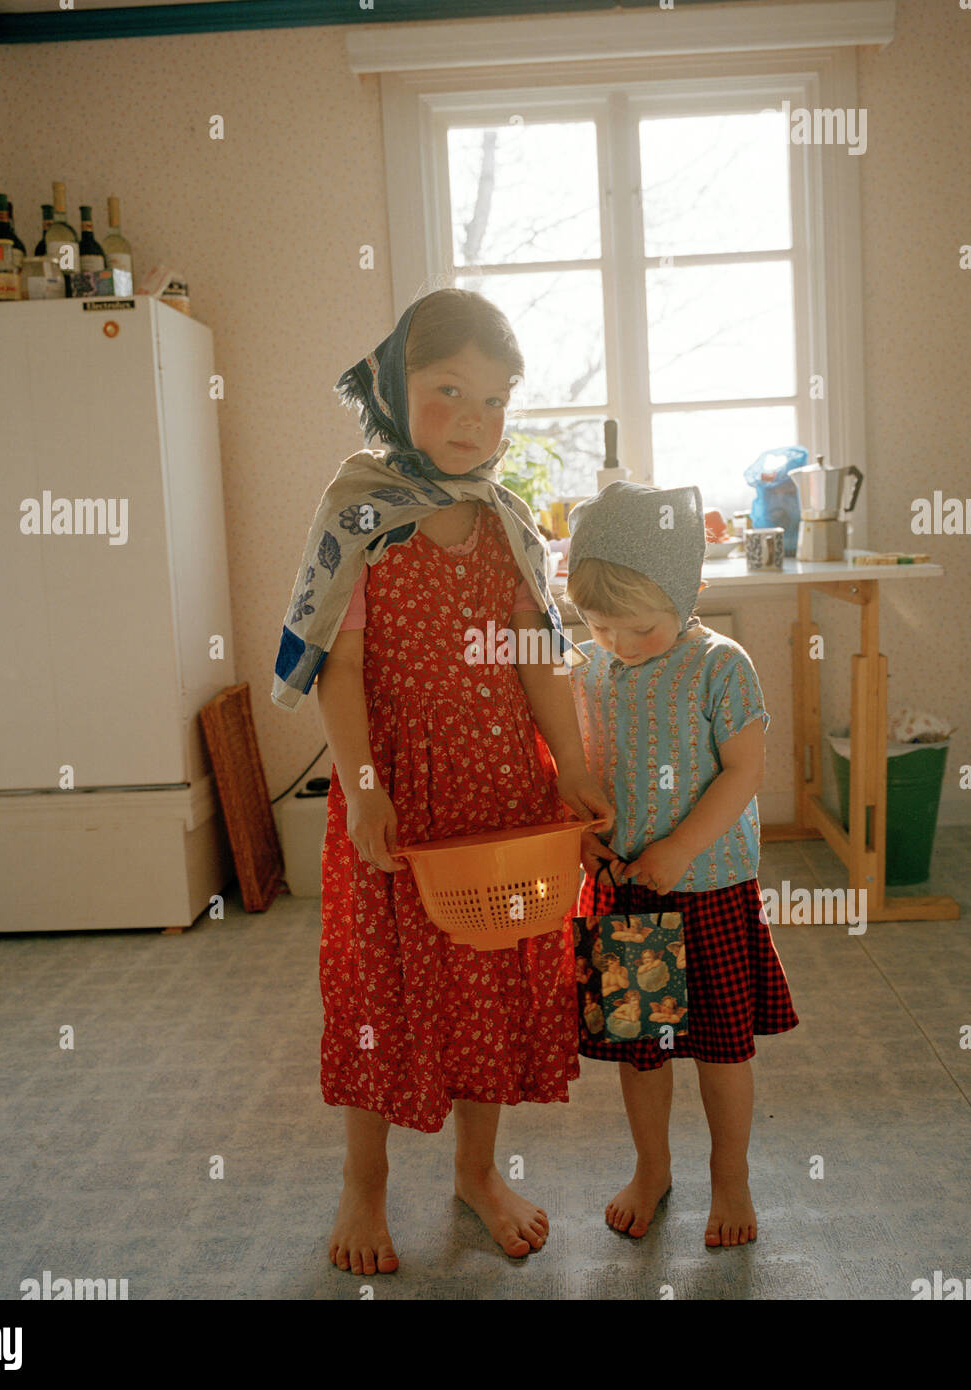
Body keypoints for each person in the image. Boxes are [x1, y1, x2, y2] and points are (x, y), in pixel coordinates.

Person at [271, 288, 613, 1276]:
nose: (473, 421)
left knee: (489, 978)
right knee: (379, 984)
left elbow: (539, 662)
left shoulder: (506, 520)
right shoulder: (363, 508)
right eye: (446, 392)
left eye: (495, 400)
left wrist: (576, 773)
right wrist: (367, 786)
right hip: (398, 795)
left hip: (502, 787)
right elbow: (340, 667)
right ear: (393, 391)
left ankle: (477, 1171)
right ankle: (364, 1184)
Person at [564, 481, 800, 1247]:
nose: (622, 644)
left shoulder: (721, 666)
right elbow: (588, 769)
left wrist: (679, 848)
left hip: (709, 889)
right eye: (602, 628)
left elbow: (744, 773)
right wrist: (583, 834)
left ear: (689, 592)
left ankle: (730, 1181)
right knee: (643, 1050)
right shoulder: (592, 669)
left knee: (722, 1049)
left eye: (642, 627)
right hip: (627, 892)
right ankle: (652, 1168)